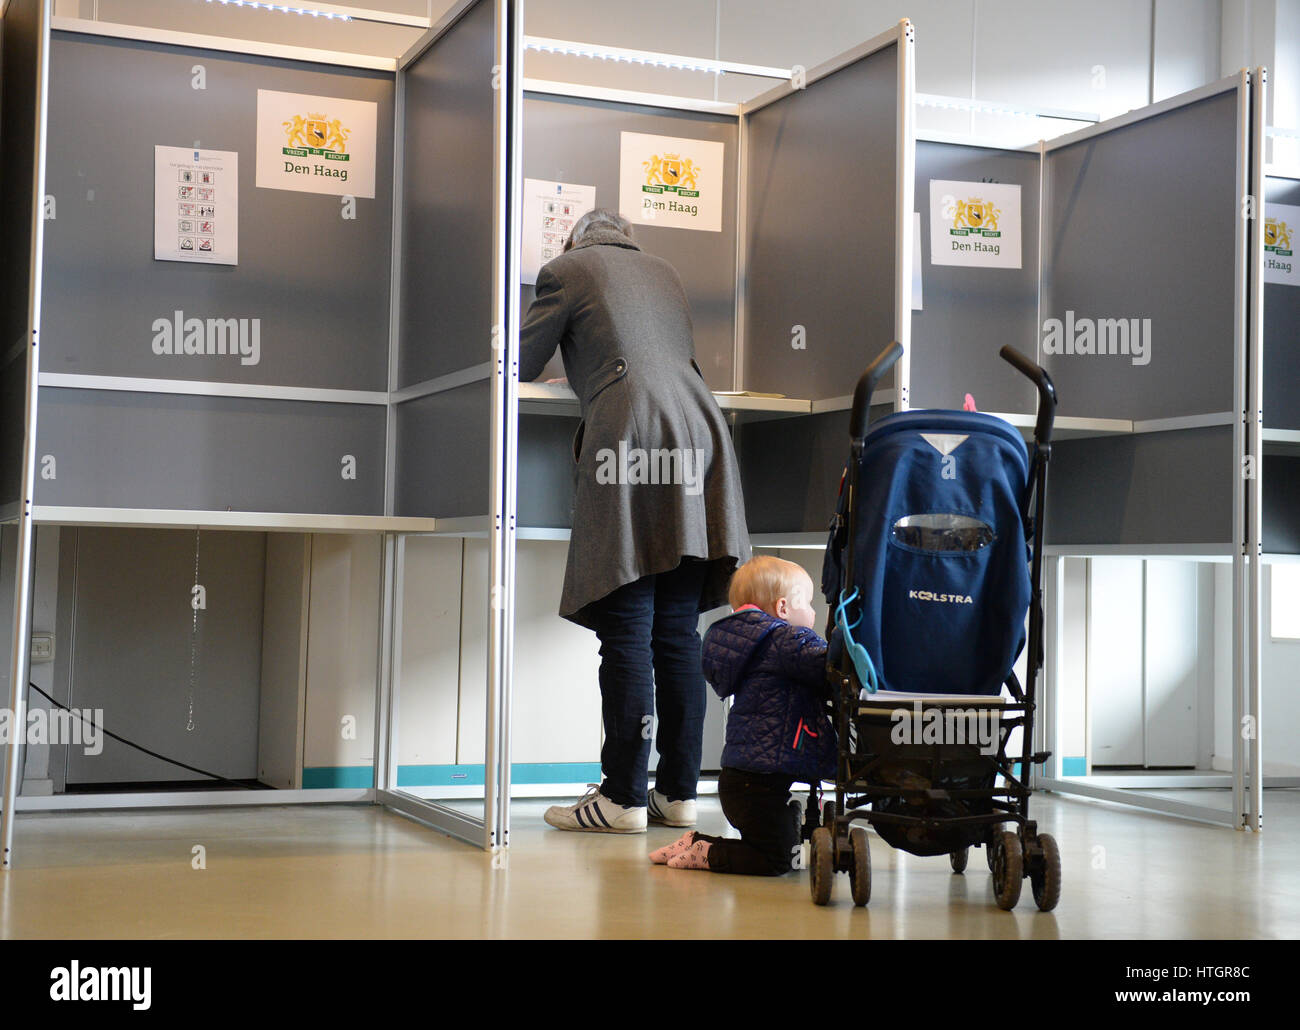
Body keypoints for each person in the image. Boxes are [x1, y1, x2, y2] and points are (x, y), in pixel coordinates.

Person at [519, 209, 750, 834]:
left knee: (627, 626)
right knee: (676, 631)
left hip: (632, 434)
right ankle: (678, 791)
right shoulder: (664, 272)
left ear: (573, 241)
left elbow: (516, 363)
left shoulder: (563, 271)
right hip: (699, 434)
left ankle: (620, 796)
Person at [651, 555, 836, 873]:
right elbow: (827, 669)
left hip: (743, 781)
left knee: (775, 848)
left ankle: (695, 839)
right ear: (782, 609)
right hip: (758, 785)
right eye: (807, 602)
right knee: (777, 859)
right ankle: (707, 852)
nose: (813, 611)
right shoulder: (787, 640)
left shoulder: (746, 644)